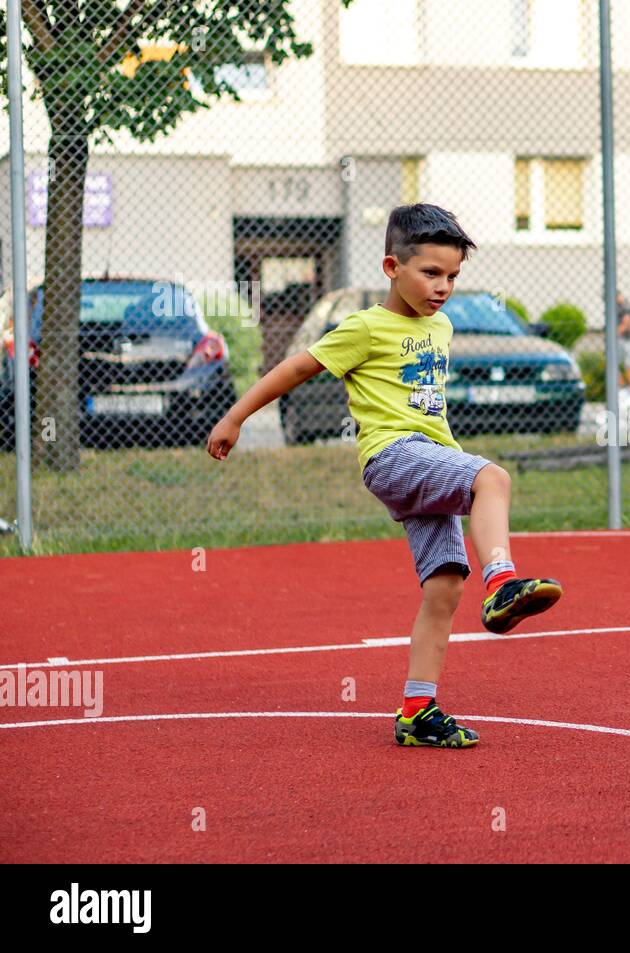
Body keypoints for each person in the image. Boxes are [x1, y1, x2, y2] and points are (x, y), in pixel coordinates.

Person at [205, 204, 562, 749]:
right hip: (393, 456)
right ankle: (503, 583)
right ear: (392, 267)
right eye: (431, 274)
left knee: (443, 585)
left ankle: (417, 711)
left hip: (430, 458)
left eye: (452, 277)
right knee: (493, 478)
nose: (443, 287)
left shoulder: (439, 326)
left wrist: (447, 455)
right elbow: (295, 368)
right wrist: (235, 417)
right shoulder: (364, 327)